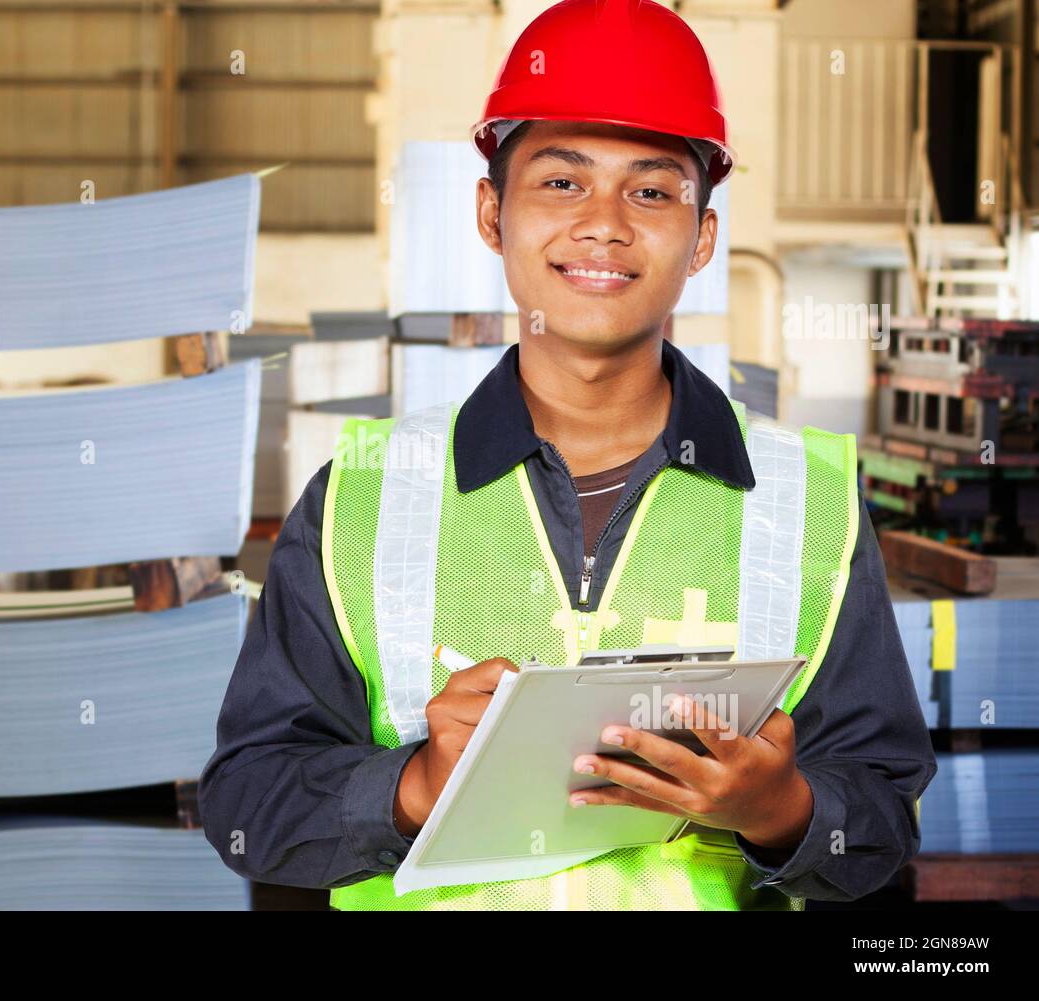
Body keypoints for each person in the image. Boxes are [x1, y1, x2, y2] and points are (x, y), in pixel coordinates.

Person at [200, 0, 937, 910]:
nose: (604, 224)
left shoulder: (806, 502)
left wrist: (780, 807)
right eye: (560, 182)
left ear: (703, 234)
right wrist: (416, 787)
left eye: (653, 189)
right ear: (490, 212)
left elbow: (883, 818)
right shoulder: (365, 498)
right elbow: (245, 805)